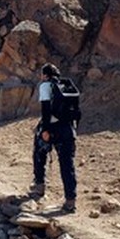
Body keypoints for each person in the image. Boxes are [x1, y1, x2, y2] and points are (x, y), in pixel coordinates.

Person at [30, 63, 77, 213]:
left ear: (45, 75)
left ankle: (39, 186)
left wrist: (45, 129)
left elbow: (45, 109)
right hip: (68, 129)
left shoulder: (46, 86)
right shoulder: (66, 86)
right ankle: (70, 201)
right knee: (67, 165)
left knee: (39, 152)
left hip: (53, 129)